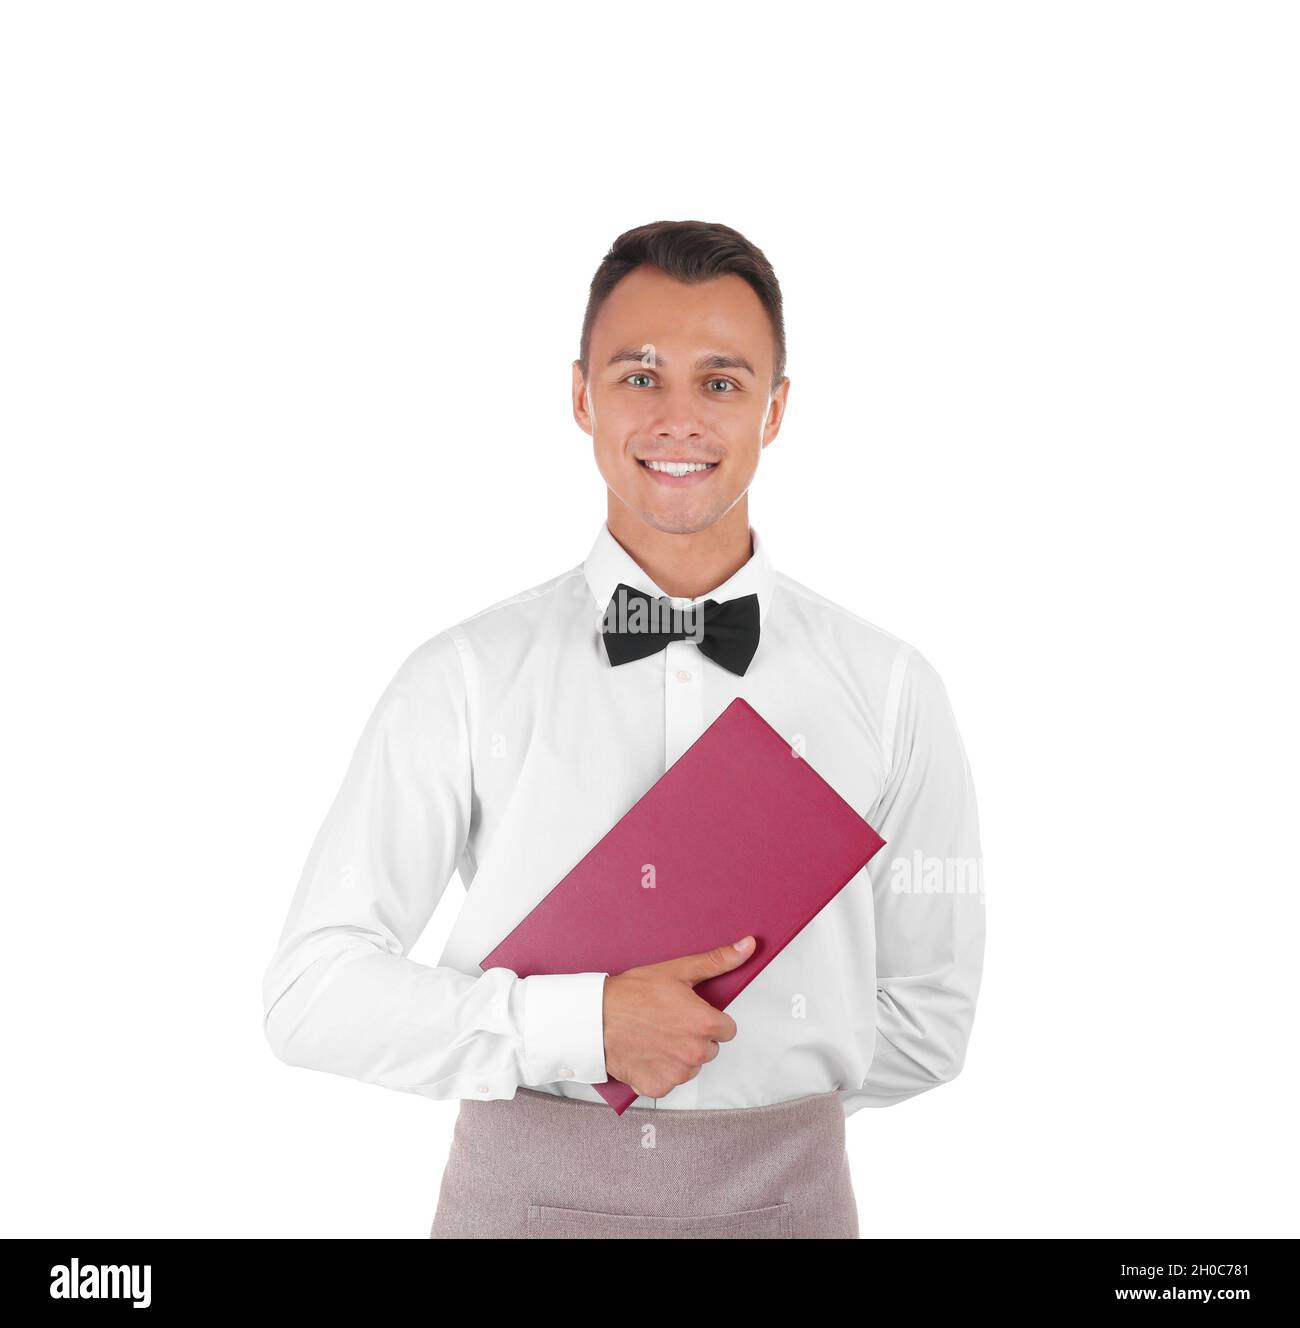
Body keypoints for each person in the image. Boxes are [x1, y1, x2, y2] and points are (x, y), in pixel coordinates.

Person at [262, 219, 986, 1239]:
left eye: (722, 382)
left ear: (776, 411)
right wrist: (578, 1028)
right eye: (640, 377)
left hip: (792, 1205)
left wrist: (756, 1100)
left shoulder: (893, 686)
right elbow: (311, 991)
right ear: (580, 395)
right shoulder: (463, 676)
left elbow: (929, 1017)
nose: (679, 416)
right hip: (515, 1205)